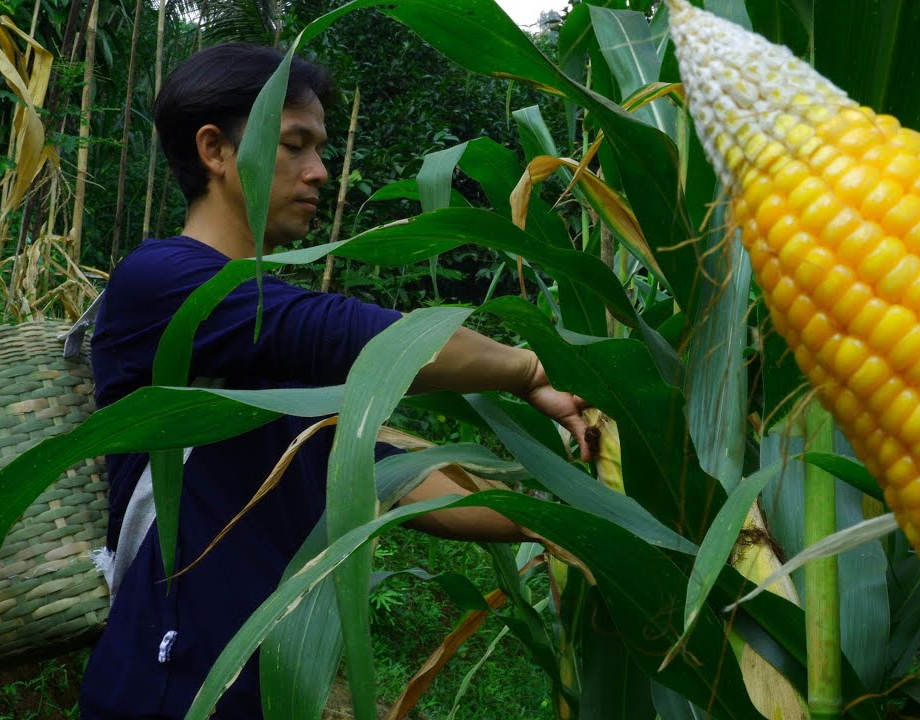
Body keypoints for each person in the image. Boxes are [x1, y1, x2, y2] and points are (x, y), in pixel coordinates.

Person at [79, 43, 589, 719]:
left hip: (265, 691)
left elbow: (398, 482)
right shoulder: (163, 284)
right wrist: (527, 369)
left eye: (319, 147)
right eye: (296, 145)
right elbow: (355, 337)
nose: (319, 171)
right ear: (214, 150)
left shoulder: (263, 335)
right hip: (166, 689)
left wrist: (569, 523)